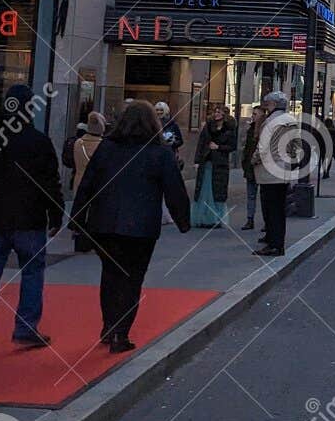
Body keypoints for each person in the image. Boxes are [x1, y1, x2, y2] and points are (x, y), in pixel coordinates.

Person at [70, 100, 191, 352]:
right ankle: (120, 333)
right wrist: (183, 221)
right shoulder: (159, 152)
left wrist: (77, 219)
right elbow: (174, 190)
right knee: (133, 279)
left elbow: (88, 185)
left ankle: (109, 326)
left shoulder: (107, 148)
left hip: (105, 223)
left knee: (111, 275)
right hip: (141, 226)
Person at [0, 84, 63, 355]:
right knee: (32, 273)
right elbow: (50, 183)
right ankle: (25, 327)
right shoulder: (38, 141)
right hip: (29, 219)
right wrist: (56, 213)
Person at [252, 92, 293, 256]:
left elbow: (263, 147)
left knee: (270, 209)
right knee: (279, 210)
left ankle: (273, 244)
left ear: (274, 105)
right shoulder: (291, 121)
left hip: (269, 171)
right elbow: (295, 145)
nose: (266, 106)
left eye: (267, 104)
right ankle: (278, 242)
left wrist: (253, 160)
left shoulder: (269, 122)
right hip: (283, 170)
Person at [192, 103, 238, 227]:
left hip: (220, 163)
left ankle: (216, 218)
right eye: (216, 112)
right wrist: (197, 161)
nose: (216, 114)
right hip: (207, 161)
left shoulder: (229, 129)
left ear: (225, 115)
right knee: (204, 189)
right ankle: (203, 217)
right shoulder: (208, 127)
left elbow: (233, 146)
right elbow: (201, 144)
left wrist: (219, 147)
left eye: (219, 112)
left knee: (217, 190)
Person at [70, 111, 106, 251]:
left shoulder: (78, 143)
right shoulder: (104, 146)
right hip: (98, 184)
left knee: (80, 211)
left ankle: (79, 238)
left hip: (79, 181)